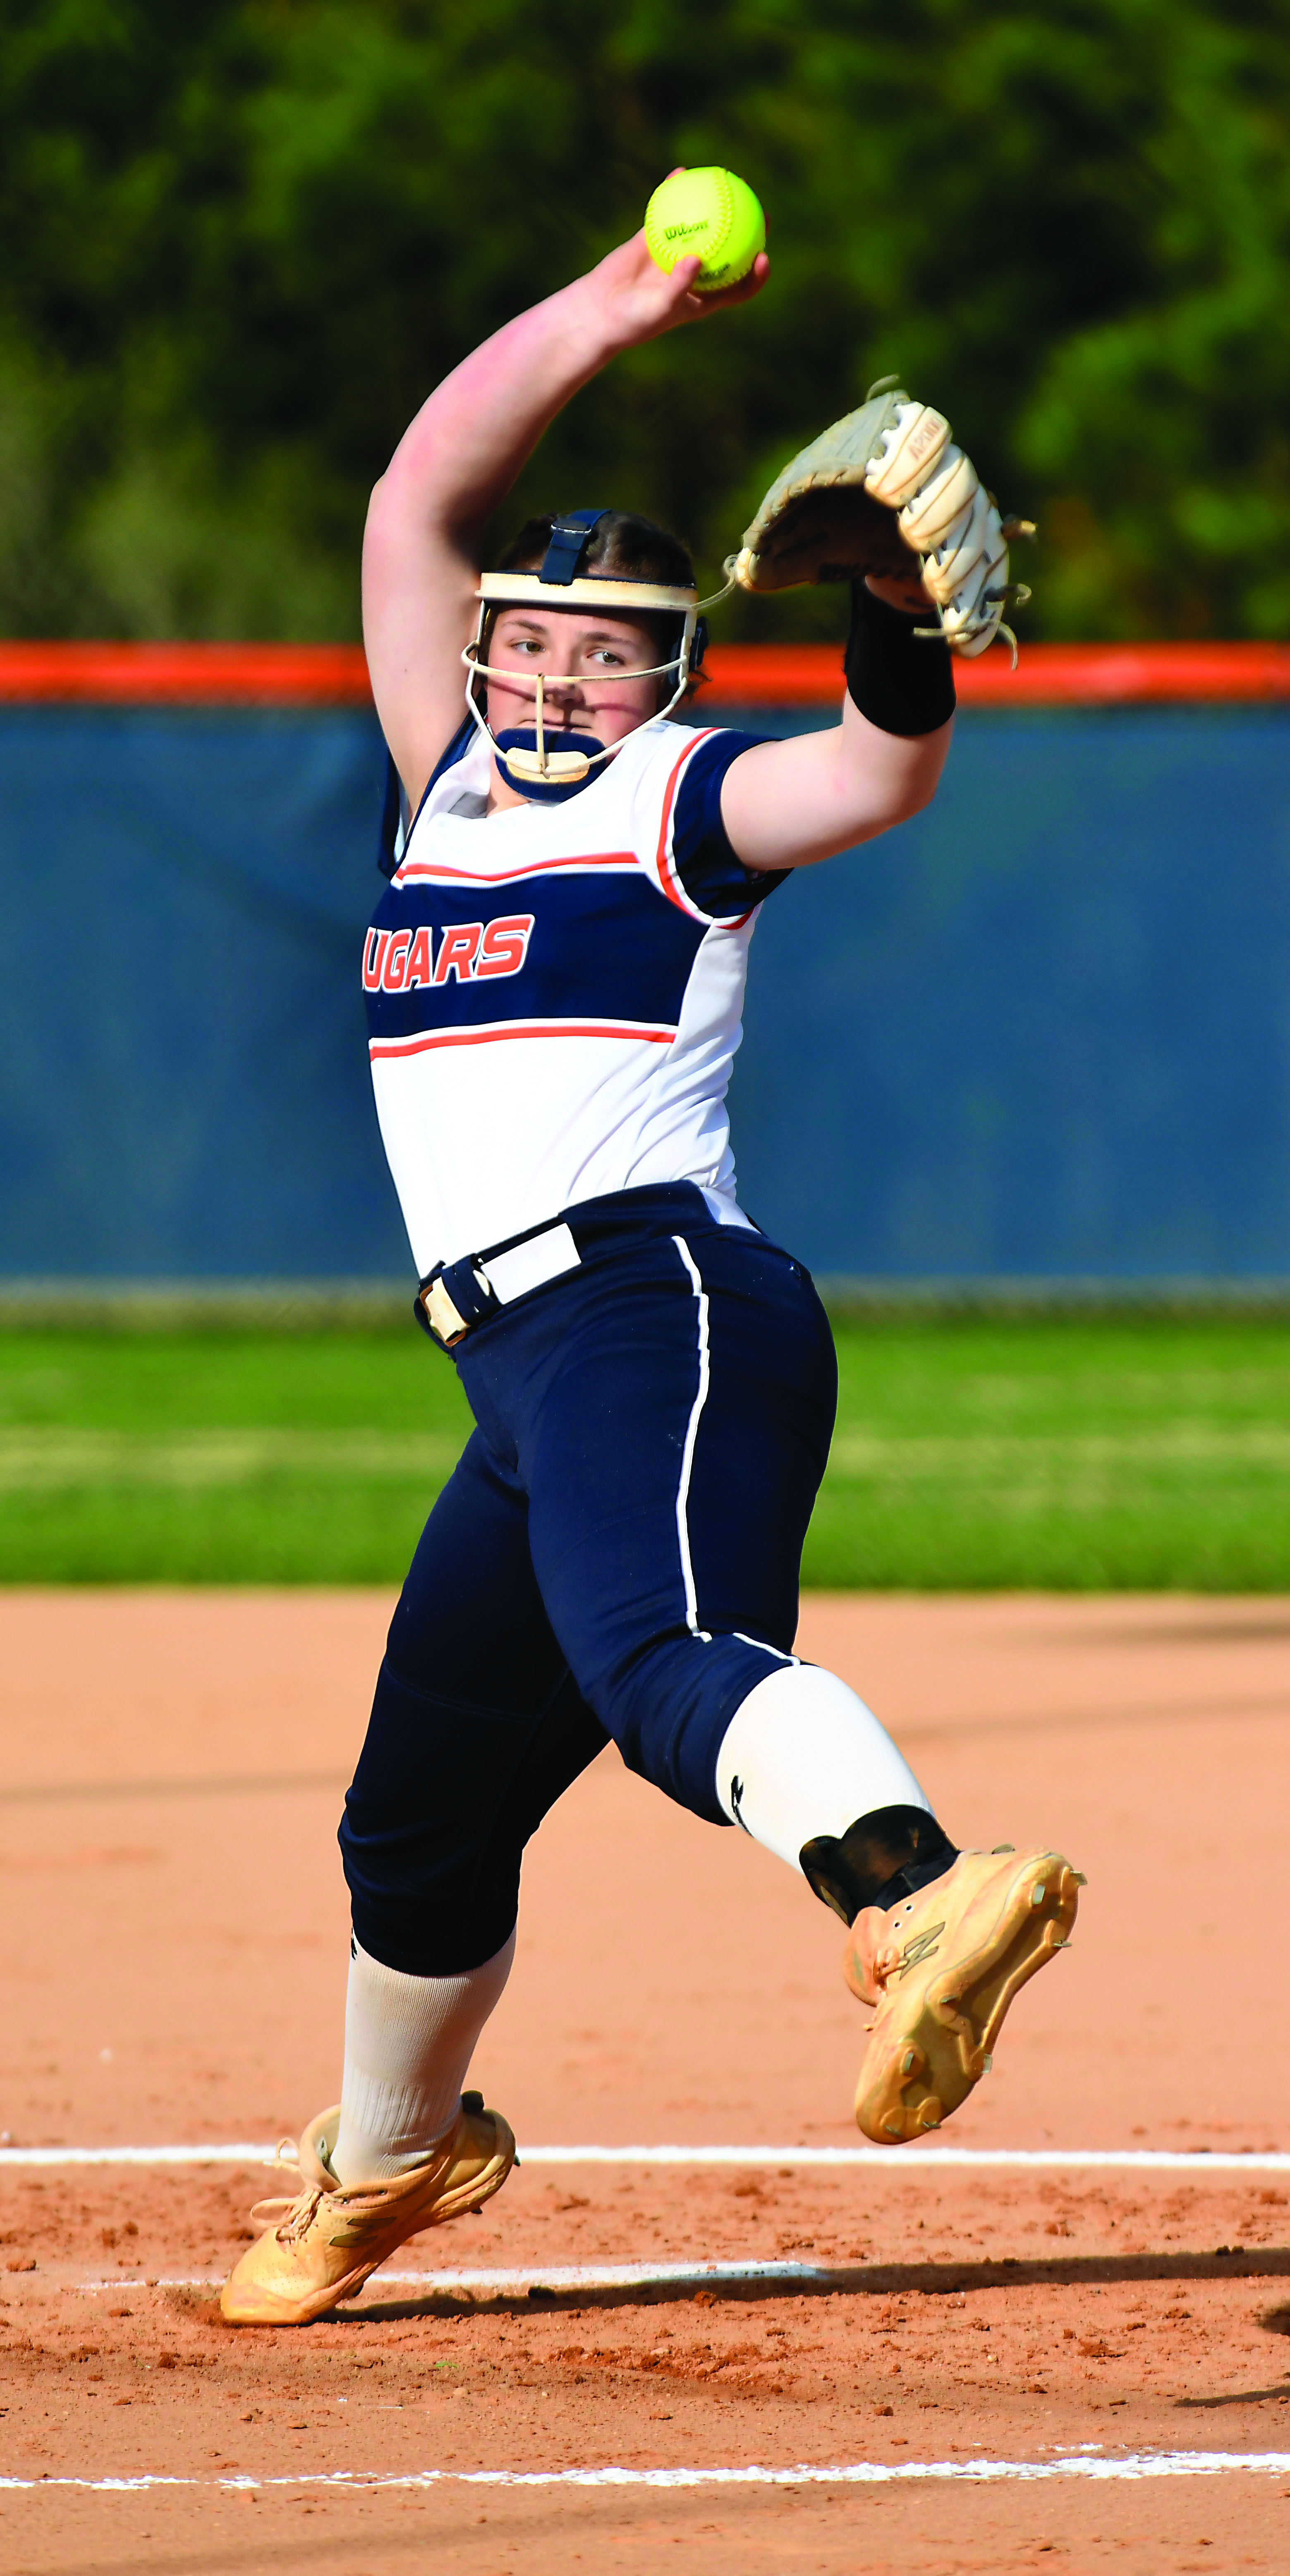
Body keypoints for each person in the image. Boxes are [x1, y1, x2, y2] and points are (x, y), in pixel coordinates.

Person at [221, 223, 1080, 2328]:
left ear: (665, 673)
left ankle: (918, 1893)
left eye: (606, 649)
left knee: (660, 1663)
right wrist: (614, 306)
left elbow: (875, 769)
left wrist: (891, 619)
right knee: (413, 1822)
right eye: (528, 639)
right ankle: (393, 2157)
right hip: (513, 1376)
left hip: (653, 1308)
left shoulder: (673, 800)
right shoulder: (437, 789)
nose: (550, 676)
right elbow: (418, 492)